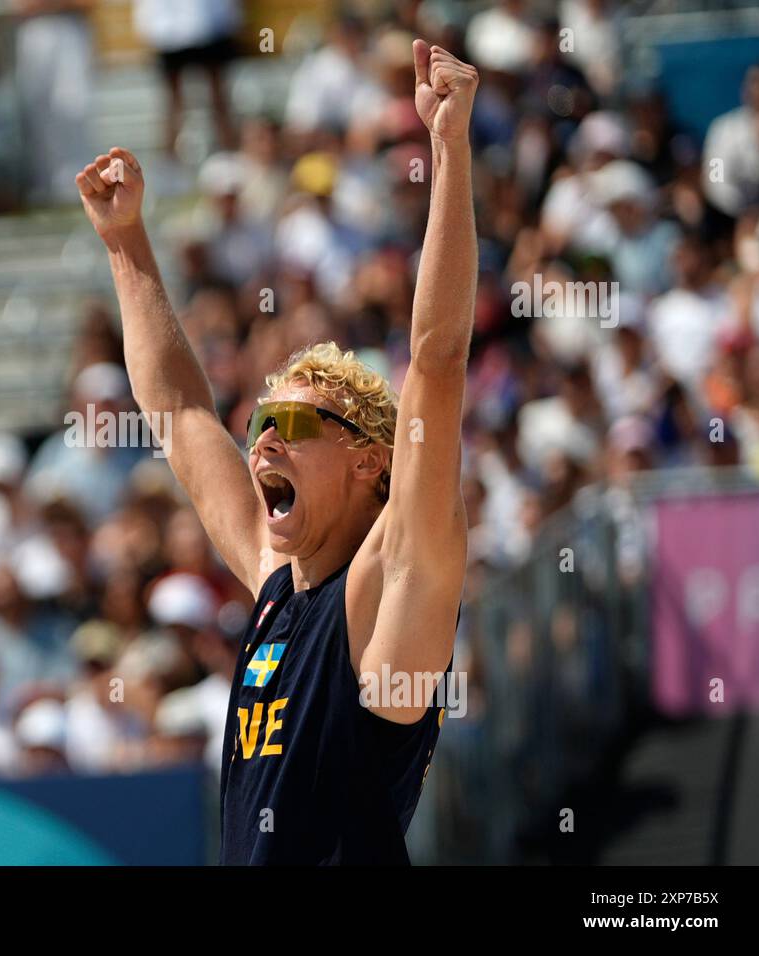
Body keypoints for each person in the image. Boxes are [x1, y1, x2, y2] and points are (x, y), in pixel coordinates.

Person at [75, 41, 478, 864]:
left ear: (371, 460)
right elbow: (182, 409)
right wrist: (126, 243)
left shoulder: (388, 580)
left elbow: (437, 362)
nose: (263, 438)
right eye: (262, 421)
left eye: (296, 426)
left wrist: (448, 146)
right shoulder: (275, 576)